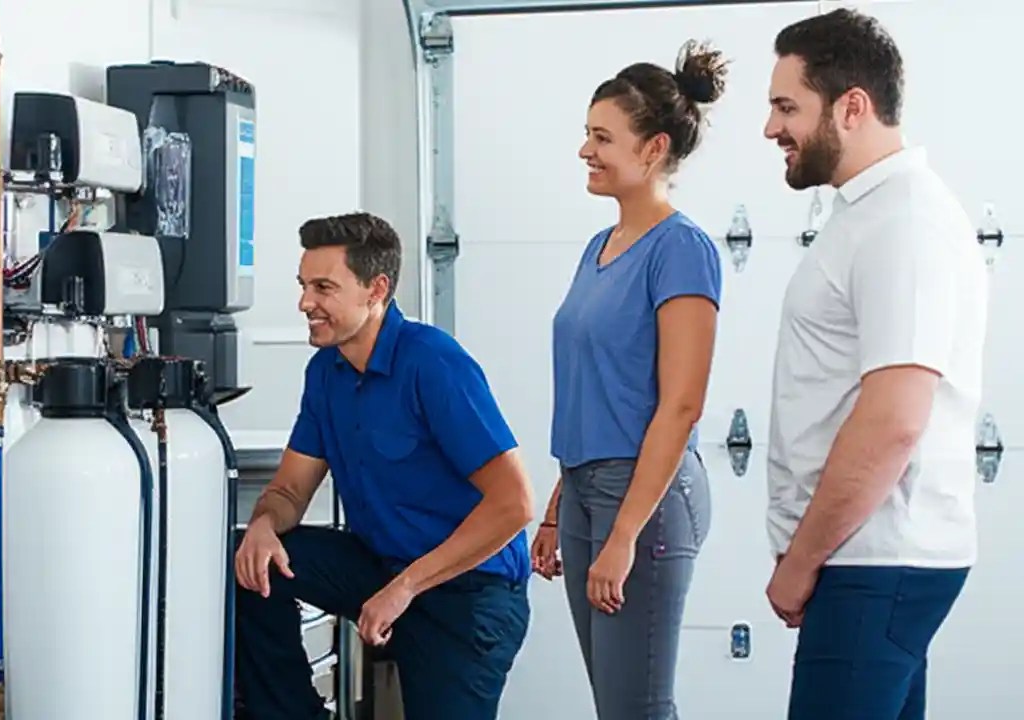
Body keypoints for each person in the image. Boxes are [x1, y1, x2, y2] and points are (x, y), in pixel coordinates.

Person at [761, 9, 988, 720]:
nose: (771, 129)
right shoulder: (869, 213)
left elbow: (894, 418)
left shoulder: (905, 222)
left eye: (786, 106)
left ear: (851, 106)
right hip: (870, 561)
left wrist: (800, 563)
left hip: (877, 561)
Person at [232, 212, 535, 720]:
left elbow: (515, 504)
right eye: (304, 285)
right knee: (250, 561)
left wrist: (404, 589)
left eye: (324, 287)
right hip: (382, 568)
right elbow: (288, 492)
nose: (306, 302)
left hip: (466, 594)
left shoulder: (432, 362)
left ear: (376, 289)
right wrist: (263, 525)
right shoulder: (325, 372)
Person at [528, 39, 726, 720]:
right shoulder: (599, 247)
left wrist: (624, 536)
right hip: (587, 488)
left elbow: (681, 405)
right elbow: (599, 388)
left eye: (602, 136)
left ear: (652, 149)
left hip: (646, 496)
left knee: (635, 708)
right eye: (586, 133)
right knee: (615, 705)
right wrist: (560, 504)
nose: (585, 149)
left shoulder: (682, 251)